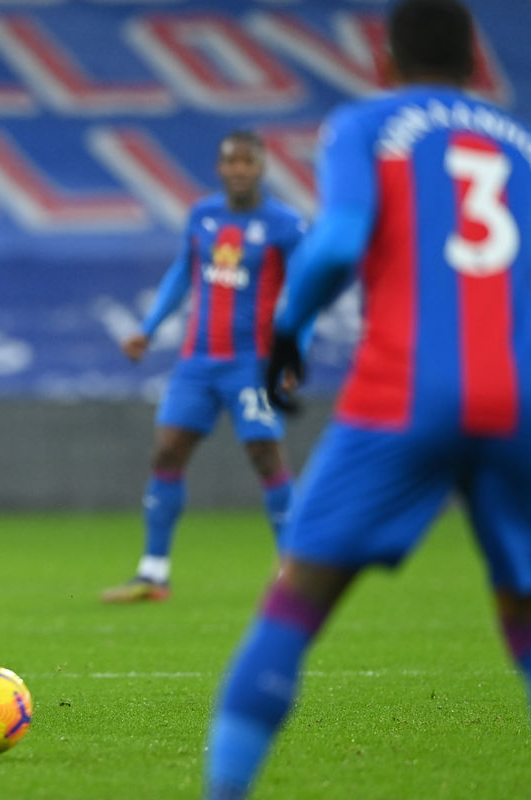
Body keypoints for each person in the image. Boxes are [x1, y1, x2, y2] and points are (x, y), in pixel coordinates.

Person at [204, 1, 531, 796]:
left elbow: (340, 242)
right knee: (522, 609)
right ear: (477, 64)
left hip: (406, 392)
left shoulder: (366, 124)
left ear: (384, 62)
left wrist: (288, 329)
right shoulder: (520, 143)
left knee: (297, 600)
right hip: (519, 399)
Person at [102, 131, 307, 603]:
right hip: (196, 361)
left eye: (247, 161)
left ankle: (294, 571)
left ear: (261, 167)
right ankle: (153, 573)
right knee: (167, 452)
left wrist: (293, 352)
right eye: (231, 161)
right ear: (219, 168)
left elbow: (302, 294)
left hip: (251, 363)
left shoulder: (285, 225)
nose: (238, 169)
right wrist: (148, 329)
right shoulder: (203, 215)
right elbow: (182, 274)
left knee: (265, 456)